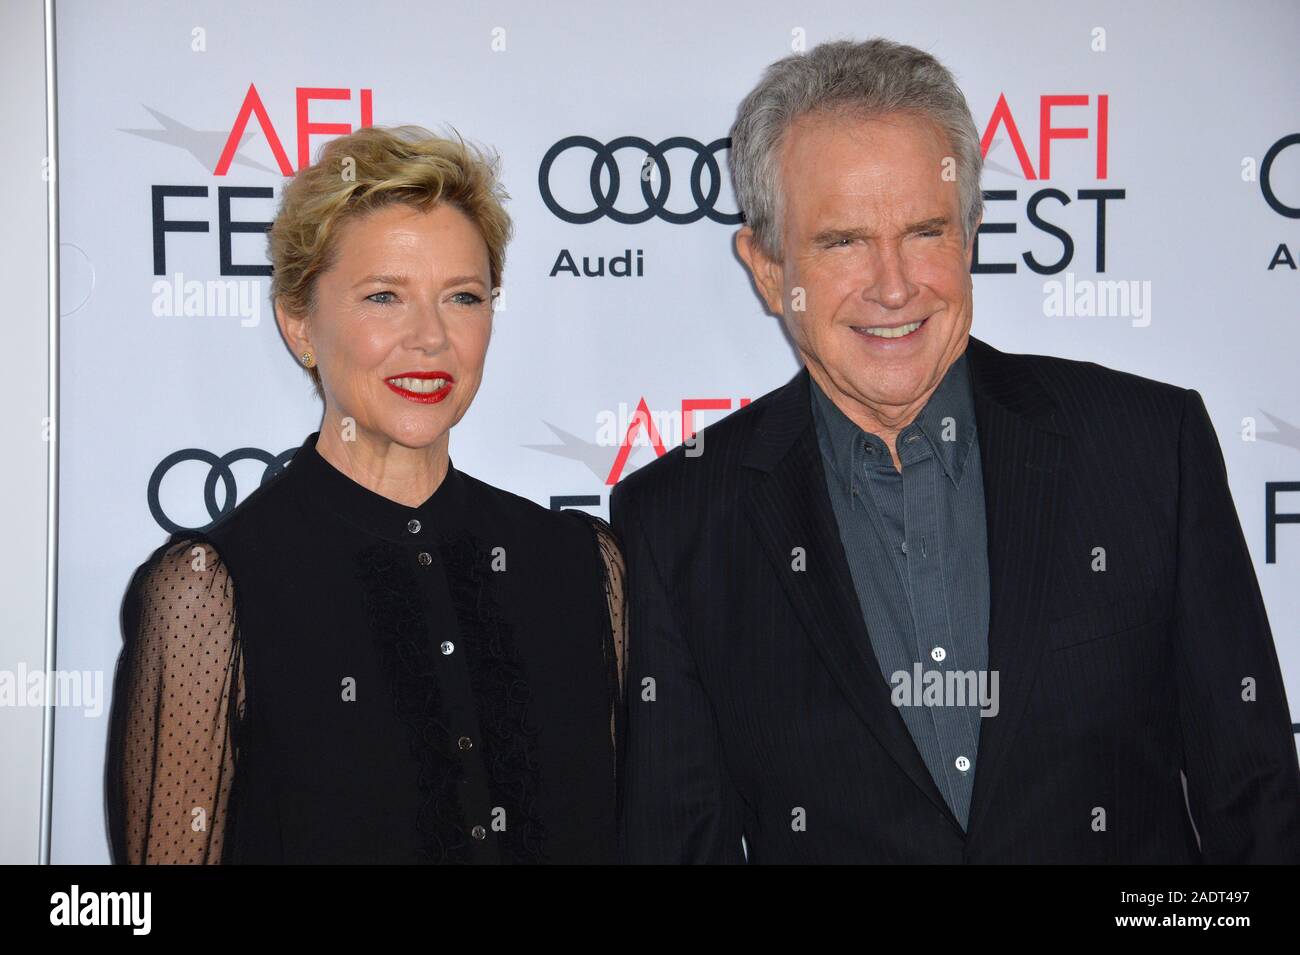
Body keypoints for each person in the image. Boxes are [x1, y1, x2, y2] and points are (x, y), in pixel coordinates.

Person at [613, 38, 1300, 863]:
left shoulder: (1150, 447)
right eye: (843, 241)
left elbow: (1257, 808)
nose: (894, 285)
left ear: (971, 232)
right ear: (766, 268)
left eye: (925, 231)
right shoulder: (682, 516)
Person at [106, 125, 625, 864]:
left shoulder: (581, 564)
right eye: (385, 296)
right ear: (299, 325)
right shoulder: (212, 589)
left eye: (464, 297)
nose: (431, 338)